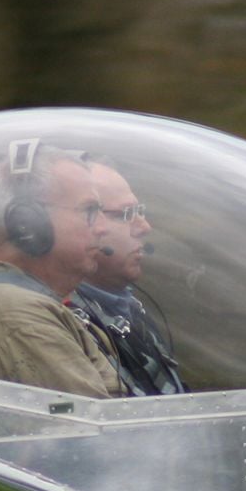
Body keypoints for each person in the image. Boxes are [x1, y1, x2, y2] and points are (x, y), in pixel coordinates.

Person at [0, 140, 122, 398]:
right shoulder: (18, 318)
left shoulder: (35, 304)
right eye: (89, 210)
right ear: (27, 223)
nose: (104, 228)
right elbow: (100, 434)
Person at [76, 156, 185, 395]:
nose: (144, 227)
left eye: (139, 211)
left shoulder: (126, 307)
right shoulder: (66, 323)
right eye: (125, 214)